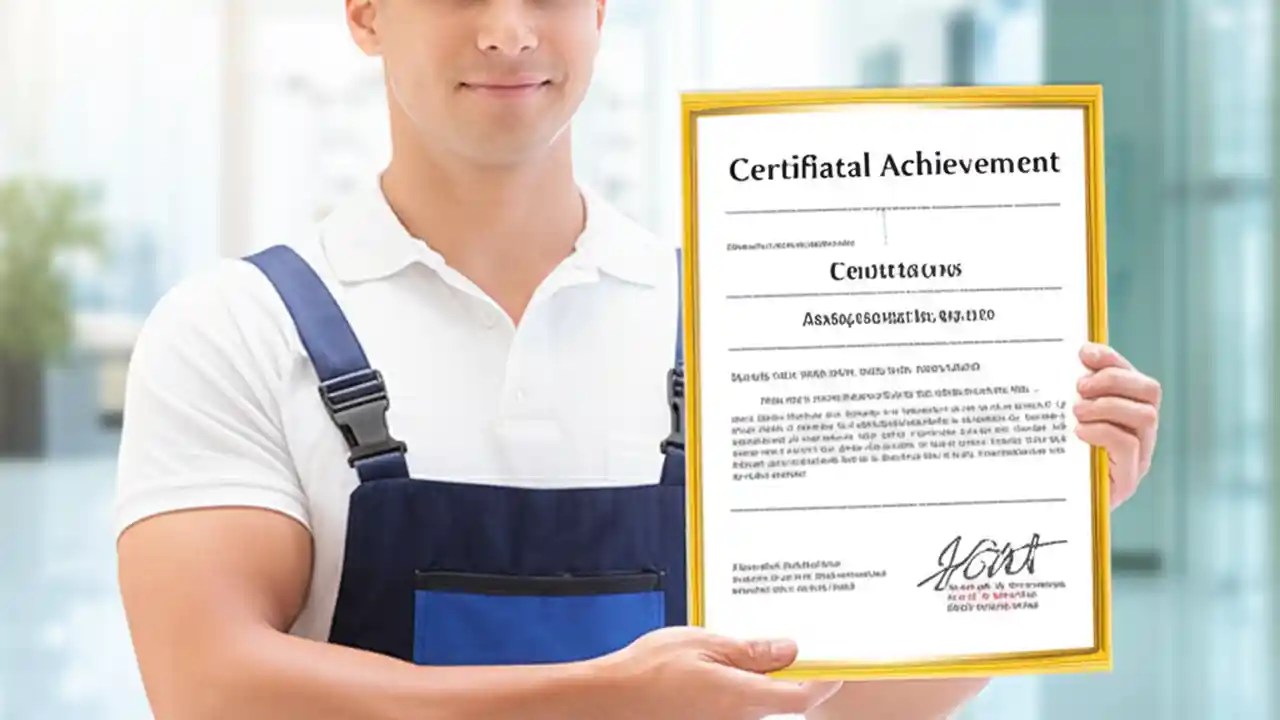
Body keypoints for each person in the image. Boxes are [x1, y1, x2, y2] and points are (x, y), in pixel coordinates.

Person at [113, 1, 1164, 718]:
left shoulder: (745, 321)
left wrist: (1034, 525)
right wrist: (603, 699)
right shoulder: (237, 329)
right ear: (362, 10)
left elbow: (833, 702)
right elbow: (210, 687)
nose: (509, 30)